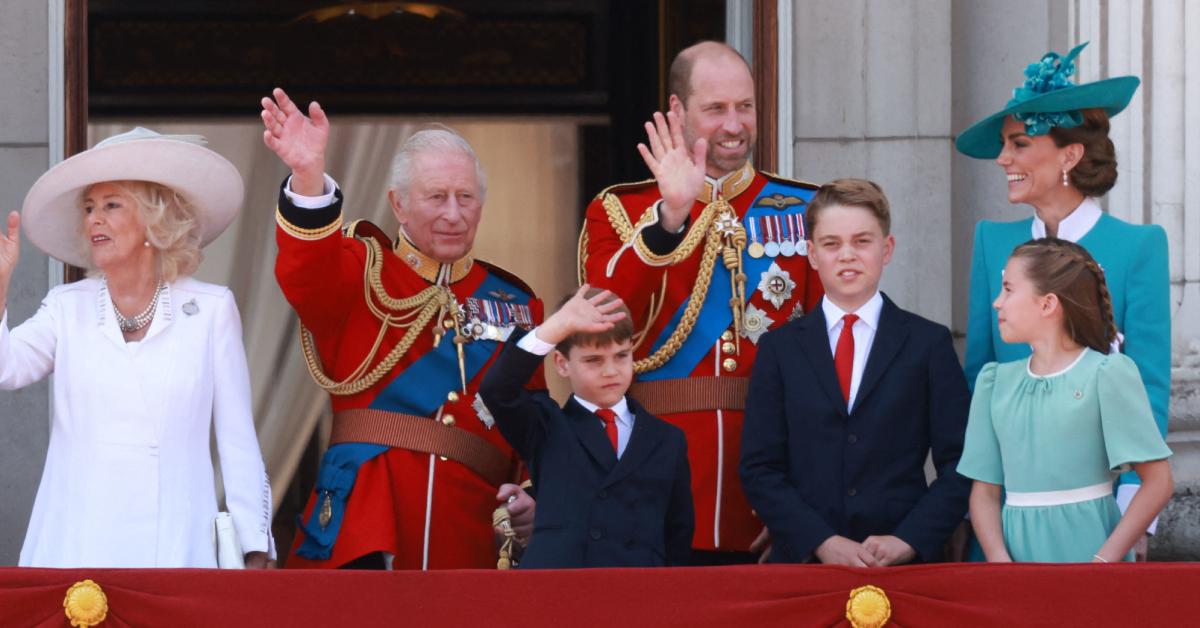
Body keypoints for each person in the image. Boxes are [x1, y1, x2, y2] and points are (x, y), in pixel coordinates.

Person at [261, 89, 543, 570]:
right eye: (436, 197)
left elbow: (532, 426)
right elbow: (307, 269)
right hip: (367, 527)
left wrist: (534, 498)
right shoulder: (360, 273)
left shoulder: (514, 303)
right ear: (399, 203)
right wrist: (308, 177)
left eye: (466, 198)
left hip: (469, 533)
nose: (453, 214)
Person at [581, 41, 823, 564]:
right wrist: (671, 216)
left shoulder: (808, 210)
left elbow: (832, 364)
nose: (735, 125)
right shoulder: (621, 210)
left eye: (745, 107)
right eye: (715, 110)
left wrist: (806, 504)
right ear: (677, 112)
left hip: (767, 484)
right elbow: (601, 322)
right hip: (652, 482)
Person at [1, 127, 273, 568]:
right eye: (89, 208)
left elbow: (237, 439)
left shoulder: (209, 310)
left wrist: (253, 545)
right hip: (77, 543)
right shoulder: (67, 308)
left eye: (111, 205)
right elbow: (6, 367)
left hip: (176, 547)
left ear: (153, 219)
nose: (94, 219)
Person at [957, 42, 1170, 544]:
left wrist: (1132, 513)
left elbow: (1150, 386)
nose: (1002, 158)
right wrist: (976, 508)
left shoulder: (1138, 247)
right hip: (1006, 514)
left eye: (1019, 144)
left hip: (1097, 513)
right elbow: (978, 379)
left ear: (1069, 154)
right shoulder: (992, 241)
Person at [739, 179, 970, 566]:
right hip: (805, 564)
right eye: (831, 244)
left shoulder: (928, 343)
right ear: (812, 254)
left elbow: (961, 462)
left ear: (887, 248)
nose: (847, 255)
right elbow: (759, 468)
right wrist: (820, 541)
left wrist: (908, 539)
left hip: (902, 563)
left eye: (862, 241)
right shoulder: (779, 350)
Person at [958, 238, 1173, 562]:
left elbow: (1158, 482)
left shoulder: (1106, 374)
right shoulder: (995, 383)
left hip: (1091, 555)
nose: (997, 303)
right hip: (1015, 565)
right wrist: (1000, 563)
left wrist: (1104, 562)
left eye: (1008, 289)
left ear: (1047, 304)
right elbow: (984, 492)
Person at [478, 286, 693, 568]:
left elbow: (677, 536)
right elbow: (497, 389)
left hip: (638, 595)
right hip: (559, 592)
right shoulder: (546, 426)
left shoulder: (667, 439)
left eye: (621, 355)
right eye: (593, 360)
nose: (610, 371)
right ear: (562, 364)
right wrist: (555, 328)